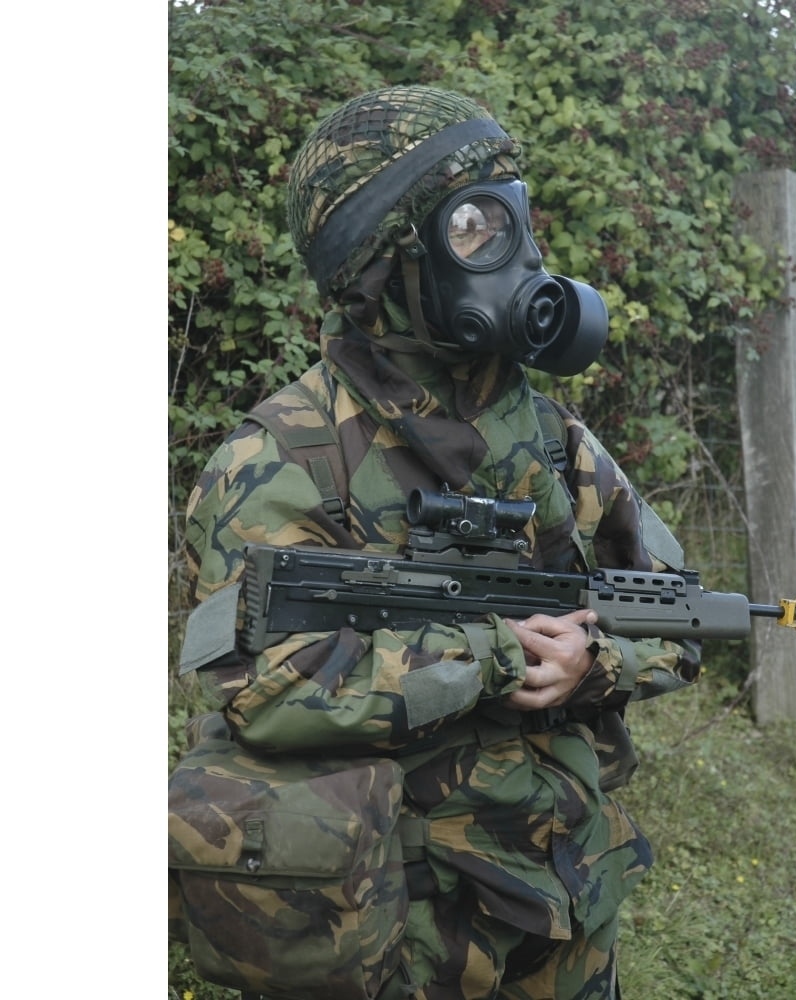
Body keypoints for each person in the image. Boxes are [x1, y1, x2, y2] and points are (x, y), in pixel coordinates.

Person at [180, 84, 701, 1000]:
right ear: (387, 264)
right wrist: (494, 656)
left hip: (567, 903)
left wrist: (597, 661)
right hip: (397, 930)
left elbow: (677, 611)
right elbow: (260, 688)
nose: (523, 257)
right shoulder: (279, 458)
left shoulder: (554, 440)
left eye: (516, 218)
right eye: (476, 227)